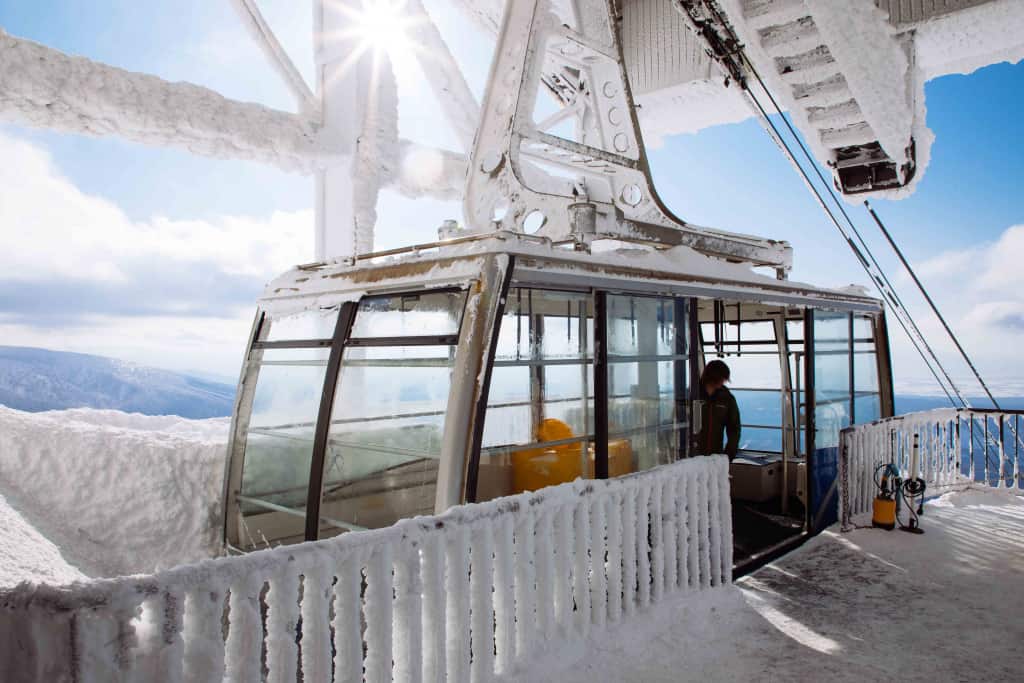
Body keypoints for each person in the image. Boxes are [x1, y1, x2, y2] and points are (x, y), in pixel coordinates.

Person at [695, 359, 741, 459]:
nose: (723, 381)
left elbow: (734, 427)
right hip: (692, 457)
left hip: (715, 456)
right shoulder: (692, 395)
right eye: (722, 378)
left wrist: (729, 454)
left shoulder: (727, 398)